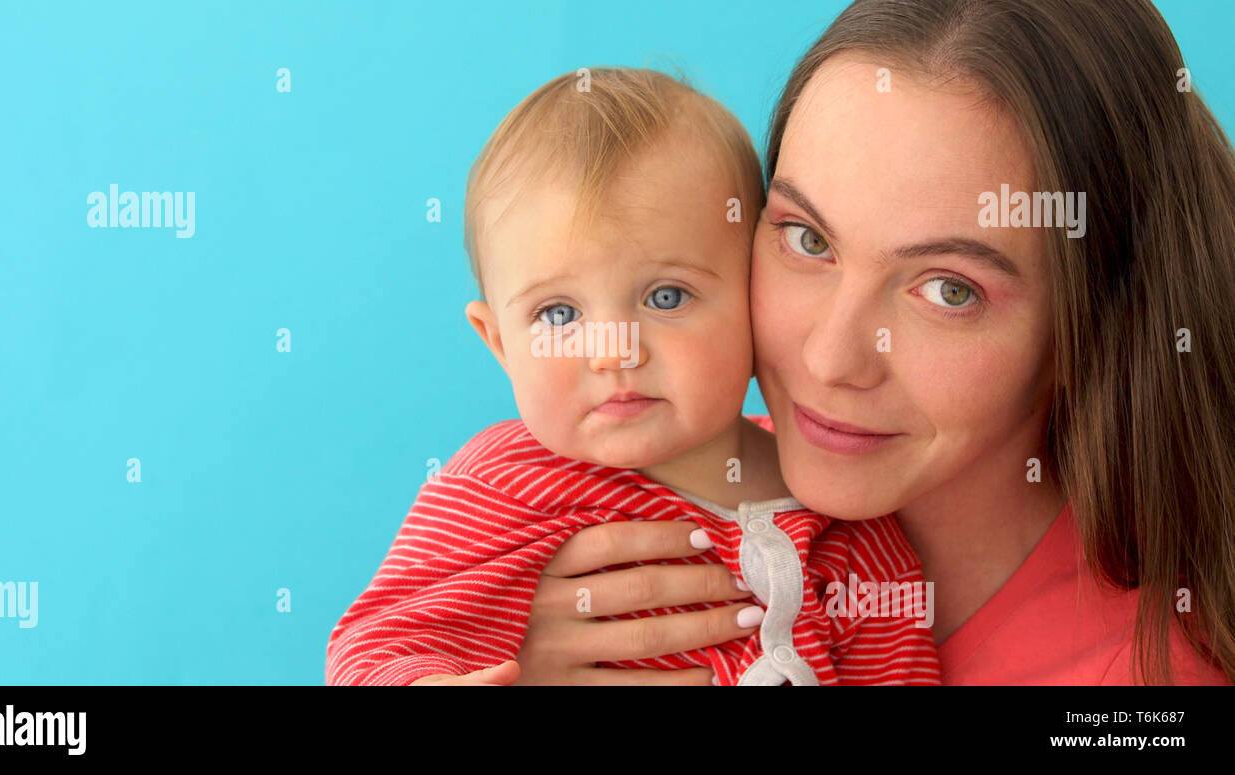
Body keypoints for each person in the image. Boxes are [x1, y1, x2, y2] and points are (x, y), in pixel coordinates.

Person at [509, 0, 1235, 686]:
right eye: (808, 239)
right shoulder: (648, 481)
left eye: (951, 290)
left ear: (1096, 318)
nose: (829, 360)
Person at [325, 67, 941, 686]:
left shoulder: (843, 512)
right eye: (559, 314)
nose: (613, 351)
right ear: (499, 343)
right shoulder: (500, 486)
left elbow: (903, 667)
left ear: (755, 298)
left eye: (667, 297)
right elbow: (376, 646)